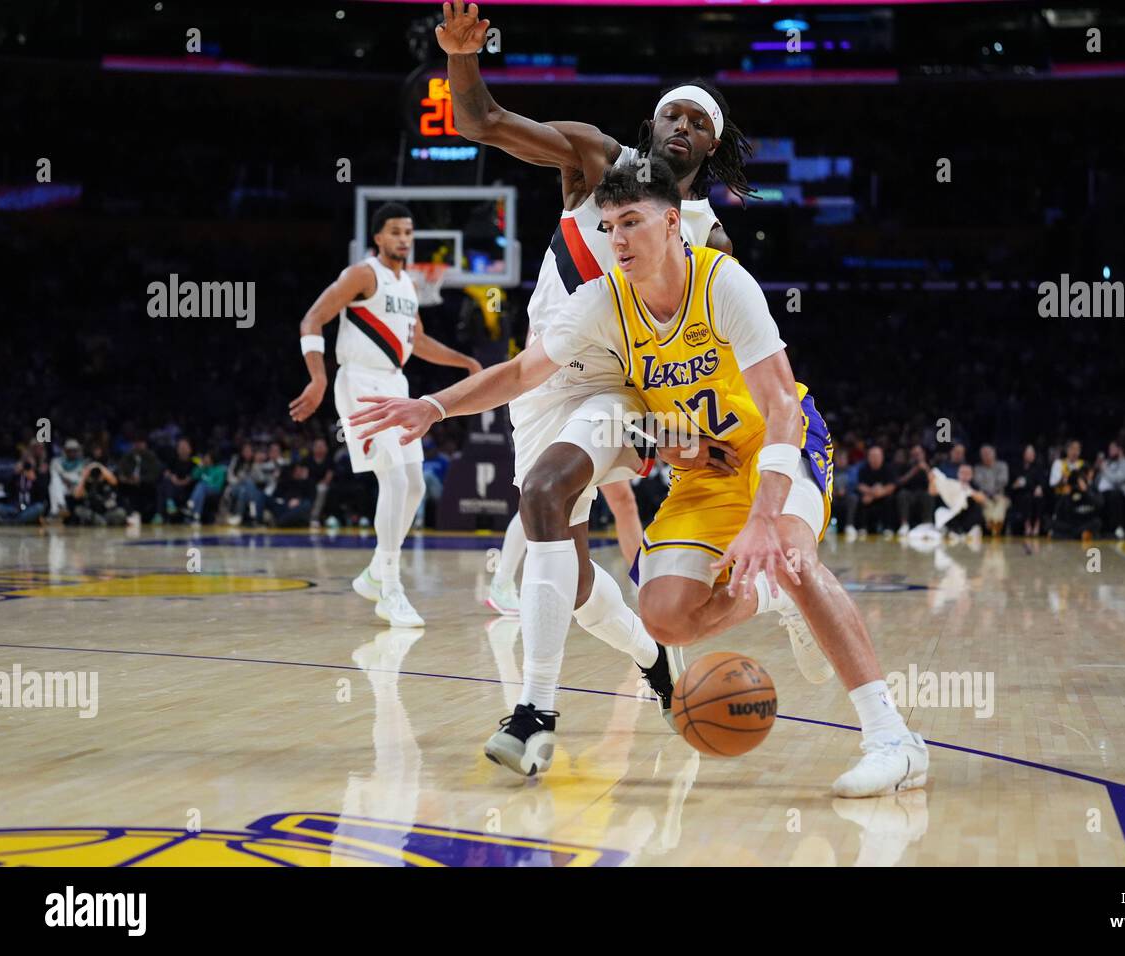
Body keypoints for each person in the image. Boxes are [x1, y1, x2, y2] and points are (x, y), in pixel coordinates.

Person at [349, 163, 929, 798]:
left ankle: (893, 739)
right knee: (666, 618)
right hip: (705, 469)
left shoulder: (723, 282)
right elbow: (520, 373)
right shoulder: (603, 300)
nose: (618, 239)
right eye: (609, 227)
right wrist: (433, 406)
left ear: (673, 222)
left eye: (632, 223)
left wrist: (766, 517)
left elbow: (784, 404)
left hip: (775, 446)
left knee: (790, 554)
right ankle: (771, 599)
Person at [440, 3, 745, 631]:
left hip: (616, 391)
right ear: (651, 124)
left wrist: (679, 433)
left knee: (550, 495)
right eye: (672, 114)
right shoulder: (597, 159)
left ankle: (534, 709)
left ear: (712, 143)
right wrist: (462, 57)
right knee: (573, 583)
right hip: (538, 376)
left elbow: (698, 351)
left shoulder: (708, 240)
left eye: (698, 121)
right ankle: (649, 655)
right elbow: (484, 121)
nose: (682, 126)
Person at [288, 201, 481, 627]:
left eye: (409, 232)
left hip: (396, 384)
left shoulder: (408, 285)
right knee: (394, 478)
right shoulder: (362, 274)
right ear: (378, 237)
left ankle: (377, 572)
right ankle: (390, 586)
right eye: (395, 232)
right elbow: (312, 320)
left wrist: (464, 363)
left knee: (413, 484)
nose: (404, 239)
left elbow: (418, 342)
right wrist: (318, 378)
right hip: (359, 383)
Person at [0, 455, 49, 525]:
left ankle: (12, 521)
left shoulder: (37, 475)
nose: (27, 466)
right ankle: (19, 520)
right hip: (14, 507)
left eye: (30, 463)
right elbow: (6, 490)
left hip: (29, 507)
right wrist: (14, 474)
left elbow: (43, 495)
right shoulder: (16, 476)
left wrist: (35, 480)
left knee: (39, 507)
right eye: (26, 463)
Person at [1095, 440, 1125, 538]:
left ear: (1120, 450)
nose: (1109, 451)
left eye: (1112, 449)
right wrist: (1097, 468)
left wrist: (1104, 470)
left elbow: (1116, 480)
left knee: (1113, 495)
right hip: (1101, 493)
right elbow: (1098, 481)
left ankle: (1117, 528)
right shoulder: (1108, 463)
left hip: (1118, 494)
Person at [972, 444, 1010, 537]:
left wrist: (994, 494)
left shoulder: (1002, 466)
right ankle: (996, 526)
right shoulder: (977, 468)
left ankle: (992, 524)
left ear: (994, 454)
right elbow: (978, 483)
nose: (986, 456)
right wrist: (990, 494)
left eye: (988, 453)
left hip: (1000, 495)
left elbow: (1003, 481)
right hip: (984, 496)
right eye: (984, 454)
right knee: (986, 504)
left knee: (1001, 502)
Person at [1010, 443, 1047, 536]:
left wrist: (1039, 487)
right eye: (1028, 453)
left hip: (1035, 493)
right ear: (1023, 454)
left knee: (1038, 497)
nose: (1031, 455)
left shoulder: (1038, 466)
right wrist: (1016, 485)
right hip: (1020, 494)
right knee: (1026, 498)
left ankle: (1037, 524)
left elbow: (1042, 481)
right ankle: (1027, 524)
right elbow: (1013, 484)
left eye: (1032, 453)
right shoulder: (1017, 467)